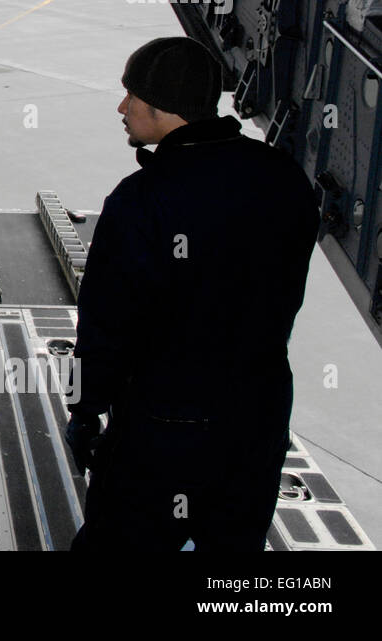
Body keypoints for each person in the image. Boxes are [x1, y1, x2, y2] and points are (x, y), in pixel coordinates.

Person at [64, 36, 320, 551]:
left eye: (131, 95)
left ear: (164, 106)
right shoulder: (285, 177)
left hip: (166, 425)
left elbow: (106, 324)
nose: (122, 107)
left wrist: (85, 408)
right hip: (259, 416)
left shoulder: (142, 200)